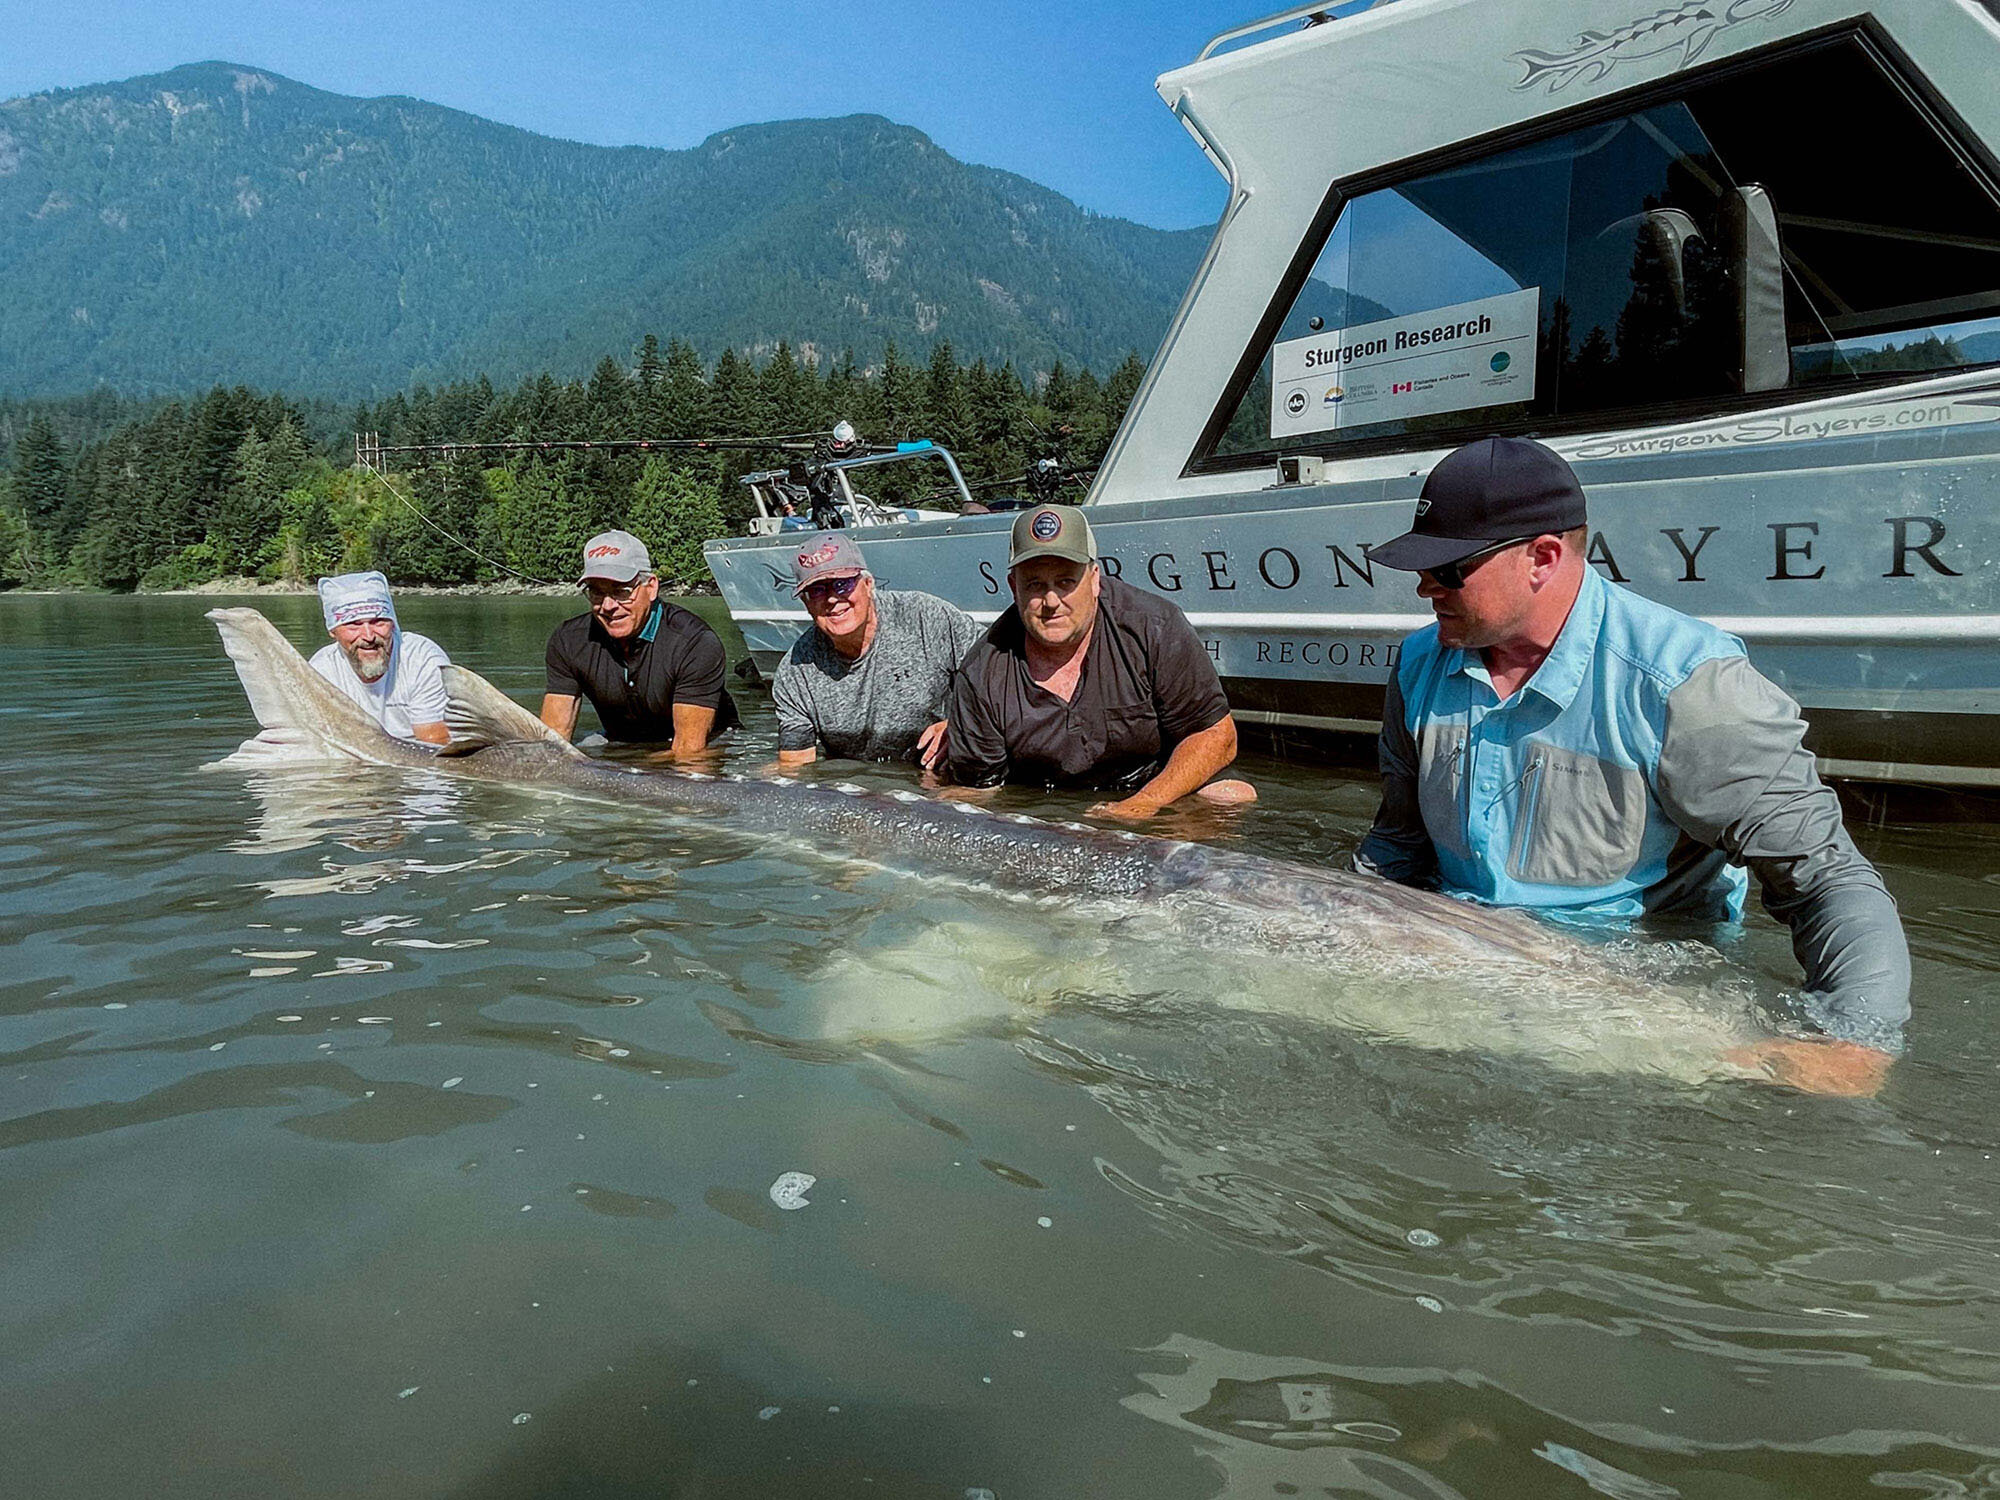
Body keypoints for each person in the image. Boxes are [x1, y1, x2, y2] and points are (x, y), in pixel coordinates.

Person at [1353, 436, 1910, 1096]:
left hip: (1631, 997)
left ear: (1542, 558)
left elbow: (1827, 880)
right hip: (1454, 963)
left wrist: (1856, 1039)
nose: (1424, 586)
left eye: (1448, 569)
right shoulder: (1418, 663)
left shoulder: (1688, 686)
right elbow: (1396, 846)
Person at [947, 503, 1253, 817]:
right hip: (1044, 795)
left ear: (1095, 580)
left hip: (1150, 782)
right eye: (1035, 585)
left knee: (1232, 794)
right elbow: (978, 791)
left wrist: (1146, 803)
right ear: (1014, 587)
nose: (1051, 601)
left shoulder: (1155, 627)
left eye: (1065, 582)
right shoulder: (981, 670)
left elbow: (1217, 735)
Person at [772, 533, 982, 768]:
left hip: (943, 770)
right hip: (854, 782)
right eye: (817, 590)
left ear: (868, 584)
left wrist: (962, 723)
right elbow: (795, 767)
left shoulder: (927, 618)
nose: (831, 599)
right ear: (805, 602)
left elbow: (1001, 673)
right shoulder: (795, 672)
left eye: (842, 584)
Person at [539, 530, 740, 757]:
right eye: (596, 592)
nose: (608, 606)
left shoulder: (694, 643)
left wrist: (630, 767)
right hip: (620, 739)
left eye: (621, 591)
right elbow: (553, 740)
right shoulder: (568, 641)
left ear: (651, 587)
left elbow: (688, 752)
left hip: (707, 743)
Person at [309, 570, 449, 746]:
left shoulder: (422, 659)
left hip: (419, 756)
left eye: (378, 622)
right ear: (332, 630)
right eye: (354, 625)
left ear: (393, 624)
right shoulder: (321, 670)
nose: (368, 636)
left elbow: (436, 745)